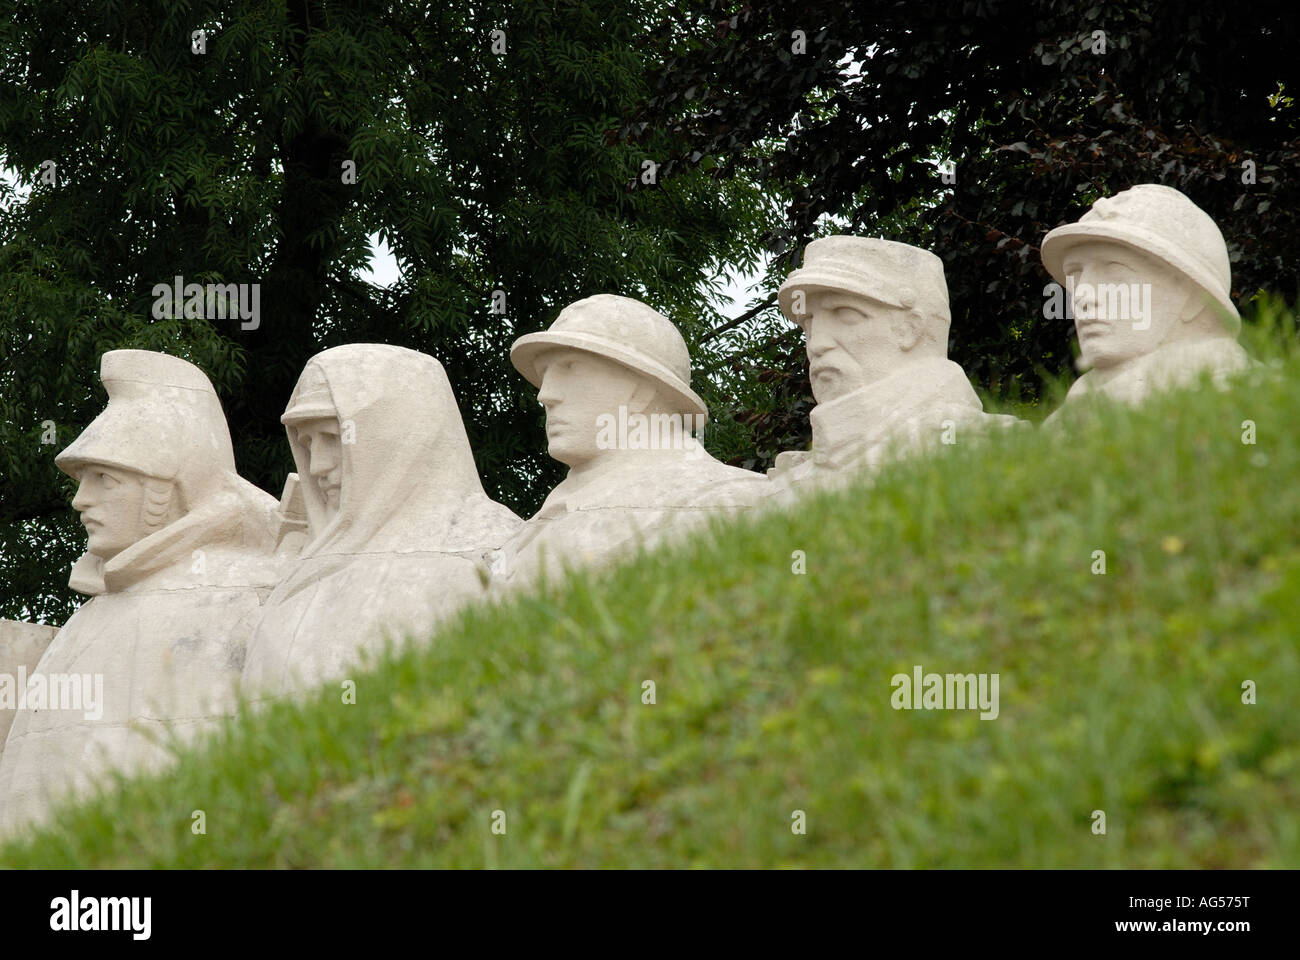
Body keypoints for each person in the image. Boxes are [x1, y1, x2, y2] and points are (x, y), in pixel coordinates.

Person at [0, 350, 280, 836]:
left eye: (104, 479)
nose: (80, 499)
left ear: (164, 489)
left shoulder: (235, 595)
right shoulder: (90, 616)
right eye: (82, 481)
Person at [241, 344, 522, 697]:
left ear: (399, 434)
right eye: (308, 443)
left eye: (332, 438)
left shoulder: (498, 552)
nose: (317, 466)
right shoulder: (301, 576)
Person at [491, 294, 768, 588]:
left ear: (640, 388)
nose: (545, 394)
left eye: (570, 368)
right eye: (545, 374)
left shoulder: (731, 502)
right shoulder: (528, 532)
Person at [770, 236, 1021, 490]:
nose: (817, 343)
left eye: (845, 314)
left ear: (911, 328)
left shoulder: (972, 444)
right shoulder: (801, 471)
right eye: (808, 322)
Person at [1041, 184, 1252, 423]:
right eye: (1076, 276)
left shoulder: (1232, 396)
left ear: (1193, 297)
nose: (1082, 296)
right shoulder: (1084, 403)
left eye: (1114, 270)